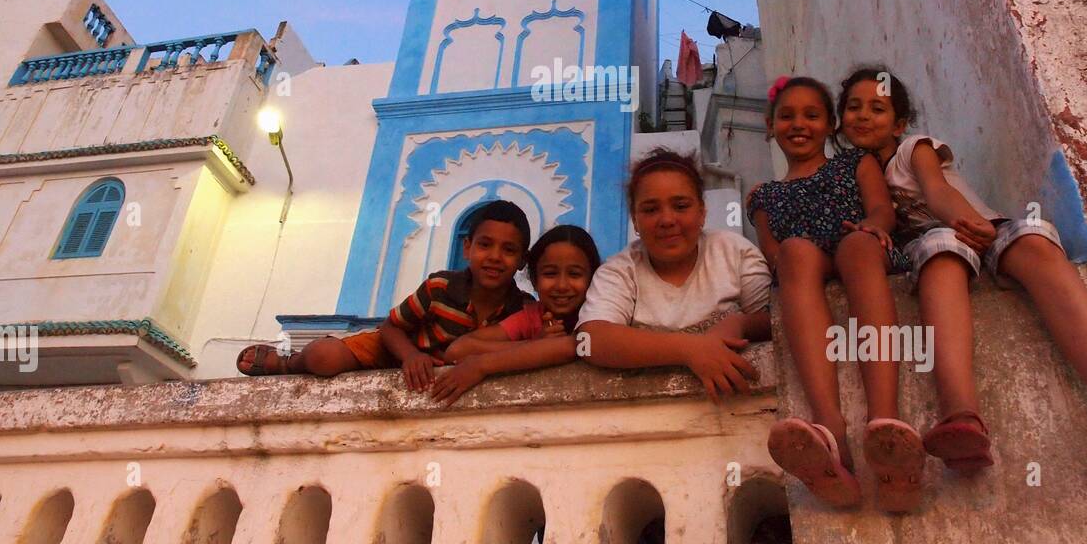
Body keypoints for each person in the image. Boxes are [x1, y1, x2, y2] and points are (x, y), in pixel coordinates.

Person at [837, 66, 1087, 471]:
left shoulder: (913, 149)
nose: (862, 115)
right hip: (935, 246)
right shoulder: (852, 175)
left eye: (877, 108)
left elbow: (936, 189)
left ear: (899, 124)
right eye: (853, 107)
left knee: (1034, 236)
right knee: (939, 250)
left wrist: (967, 221)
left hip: (978, 225)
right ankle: (962, 417)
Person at [749, 75, 923, 513]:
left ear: (830, 125)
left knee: (858, 246)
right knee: (795, 252)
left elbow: (881, 208)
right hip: (809, 262)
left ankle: (885, 422)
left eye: (812, 115)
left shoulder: (855, 163)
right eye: (786, 116)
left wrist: (875, 227)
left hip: (859, 246)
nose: (798, 124)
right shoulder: (764, 196)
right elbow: (773, 255)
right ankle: (830, 429)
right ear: (770, 126)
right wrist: (786, 257)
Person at [235, 200, 532, 389]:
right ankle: (287, 362)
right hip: (398, 348)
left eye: (508, 250)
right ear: (467, 248)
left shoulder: (523, 310)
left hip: (440, 368)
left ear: (522, 260)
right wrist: (411, 357)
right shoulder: (441, 287)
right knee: (323, 357)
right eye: (485, 245)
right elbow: (392, 327)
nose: (495, 257)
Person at [575, 147, 772, 402]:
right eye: (650, 209)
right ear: (634, 219)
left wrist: (740, 323)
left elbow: (775, 320)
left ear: (702, 212)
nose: (667, 220)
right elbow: (590, 340)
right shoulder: (620, 271)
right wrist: (689, 349)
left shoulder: (734, 252)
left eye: (680, 206)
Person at [430, 224, 601, 406]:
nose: (561, 285)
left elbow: (580, 346)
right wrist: (534, 344)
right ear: (534, 281)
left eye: (575, 274)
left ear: (593, 279)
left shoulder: (598, 314)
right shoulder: (531, 317)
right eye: (550, 274)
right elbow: (457, 350)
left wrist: (483, 365)